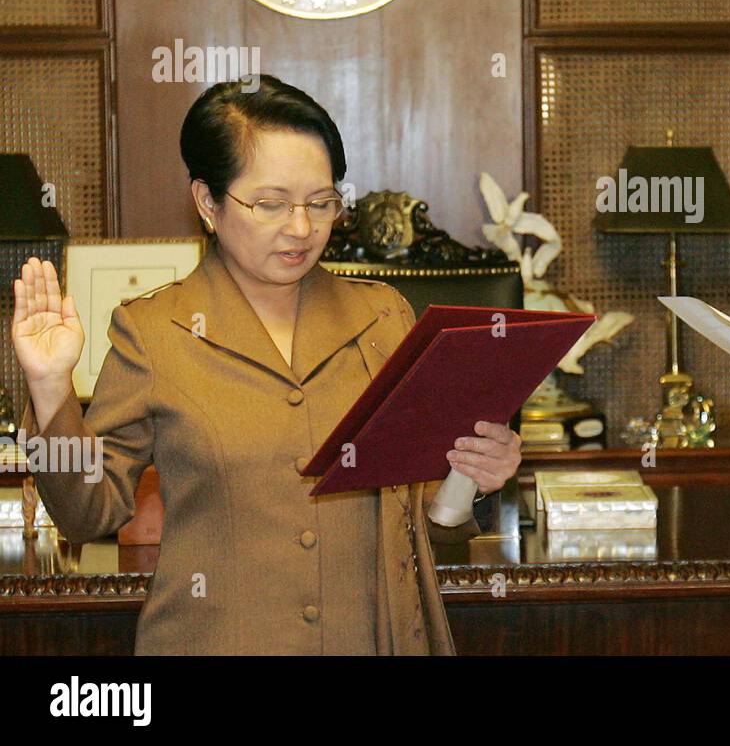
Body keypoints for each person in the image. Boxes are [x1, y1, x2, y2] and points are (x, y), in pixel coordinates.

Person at [12, 74, 522, 655]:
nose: (301, 228)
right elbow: (88, 514)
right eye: (271, 204)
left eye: (321, 202)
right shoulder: (154, 332)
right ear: (208, 202)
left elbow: (426, 528)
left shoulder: (383, 316)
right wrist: (51, 389)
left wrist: (473, 476)